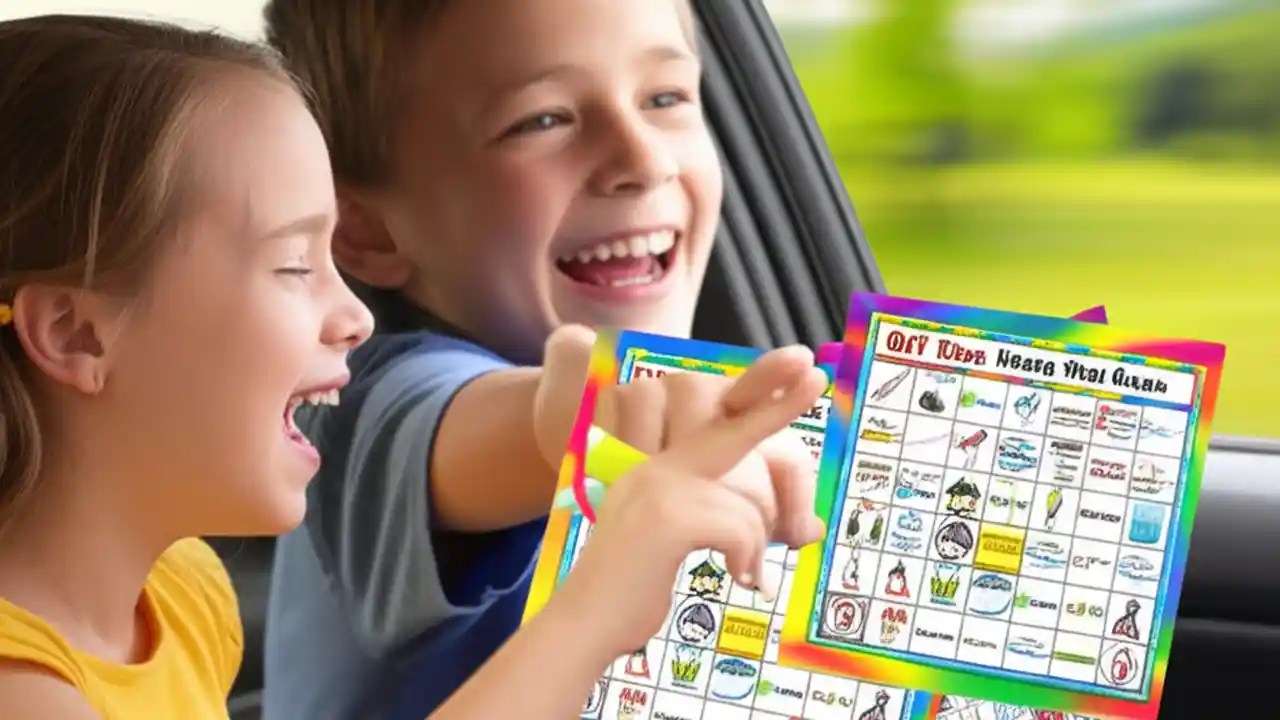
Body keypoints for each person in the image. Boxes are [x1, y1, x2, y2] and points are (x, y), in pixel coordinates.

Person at [0, 13, 827, 720]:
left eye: (668, 97)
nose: (352, 315)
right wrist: (594, 596)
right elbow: (462, 418)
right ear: (77, 334)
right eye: (295, 264)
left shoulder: (179, 595)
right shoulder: (26, 691)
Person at [258, 1, 814, 718]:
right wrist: (602, 406)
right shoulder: (365, 409)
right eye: (543, 120)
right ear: (367, 229)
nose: (644, 161)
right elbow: (515, 419)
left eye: (666, 98)